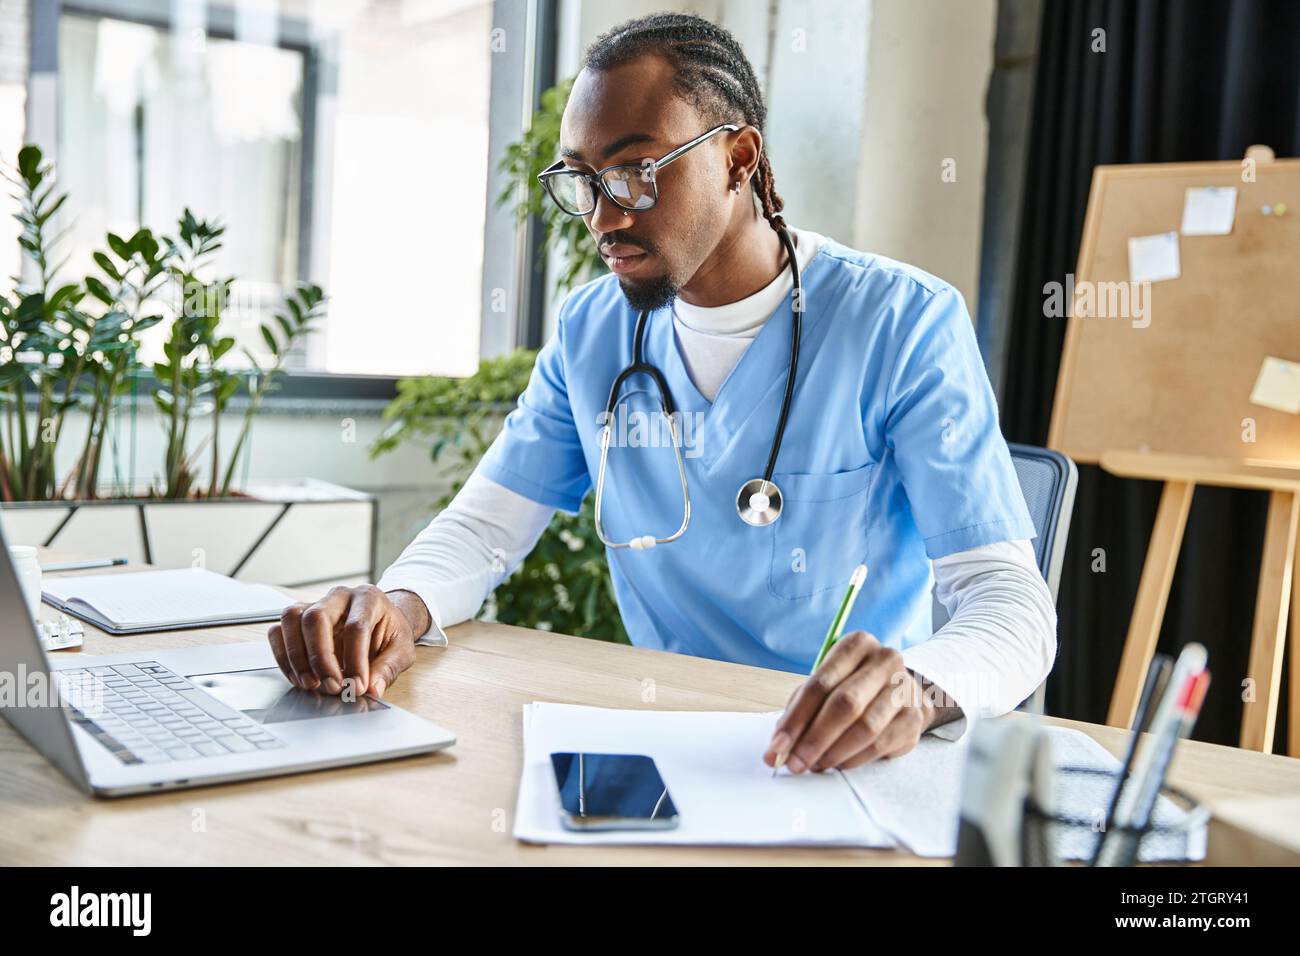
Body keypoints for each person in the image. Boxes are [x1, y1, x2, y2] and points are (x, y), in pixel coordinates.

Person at [267, 13, 1056, 774]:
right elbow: (482, 532)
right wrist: (397, 606)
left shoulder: (901, 323)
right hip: (662, 737)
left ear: (738, 158)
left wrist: (911, 692)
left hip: (843, 757)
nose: (602, 215)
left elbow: (1009, 605)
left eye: (635, 172)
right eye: (582, 180)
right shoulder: (592, 333)